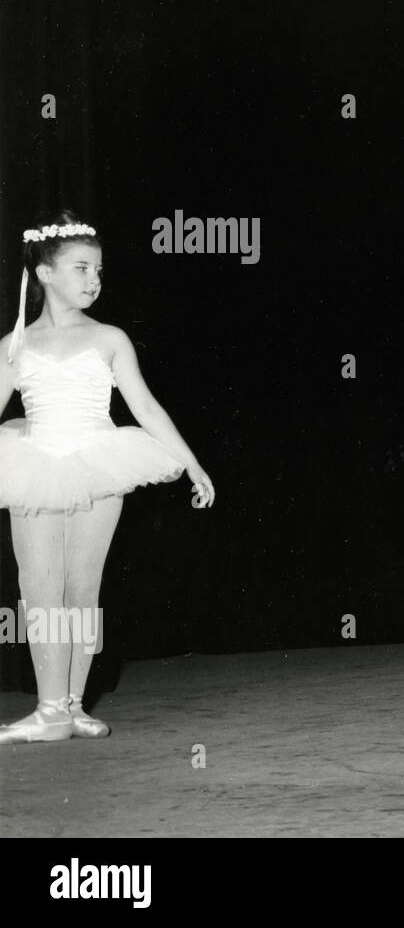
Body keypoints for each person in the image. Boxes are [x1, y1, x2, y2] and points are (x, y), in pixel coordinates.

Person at [0, 212, 214, 744]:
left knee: (82, 588)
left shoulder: (110, 339)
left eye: (98, 269)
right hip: (34, 464)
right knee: (40, 587)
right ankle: (48, 708)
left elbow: (146, 408)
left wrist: (191, 463)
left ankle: (71, 704)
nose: (93, 279)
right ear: (45, 274)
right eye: (80, 268)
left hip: (98, 461)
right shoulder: (16, 345)